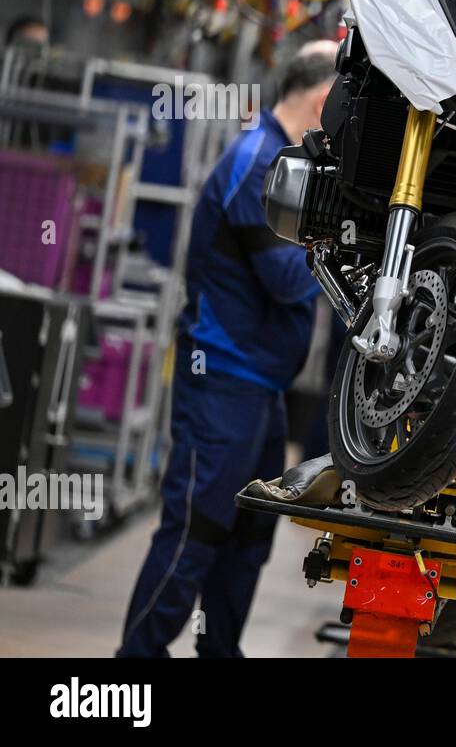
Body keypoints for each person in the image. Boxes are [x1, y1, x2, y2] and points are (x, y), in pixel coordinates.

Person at [118, 53, 335, 657]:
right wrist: (342, 245)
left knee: (247, 533)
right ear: (322, 103)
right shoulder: (257, 162)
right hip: (222, 378)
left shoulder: (285, 162)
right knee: (197, 525)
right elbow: (289, 280)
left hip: (260, 386)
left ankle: (219, 652)